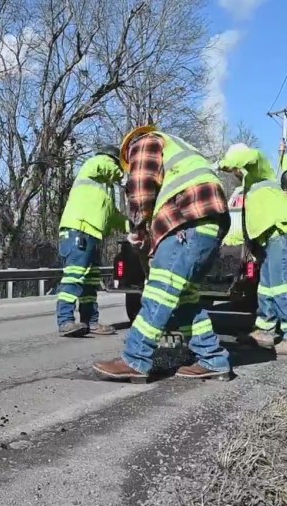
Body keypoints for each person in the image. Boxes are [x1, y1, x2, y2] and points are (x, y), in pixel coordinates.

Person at [92, 126, 232, 381]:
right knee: (185, 299)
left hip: (185, 221)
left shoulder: (144, 142)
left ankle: (135, 358)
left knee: (159, 292)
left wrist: (138, 227)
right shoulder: (180, 148)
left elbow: (141, 187)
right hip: (207, 224)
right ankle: (213, 358)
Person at [218, 144, 287, 355]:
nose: (233, 173)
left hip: (282, 233)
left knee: (282, 285)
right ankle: (265, 329)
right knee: (267, 287)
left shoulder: (260, 173)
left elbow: (249, 154)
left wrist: (222, 163)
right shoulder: (250, 186)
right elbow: (247, 224)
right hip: (269, 239)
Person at [55, 146, 126, 337]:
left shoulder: (105, 191)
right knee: (74, 277)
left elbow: (114, 218)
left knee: (90, 281)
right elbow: (106, 166)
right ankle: (65, 321)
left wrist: (137, 226)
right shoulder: (94, 164)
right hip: (78, 230)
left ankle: (90, 322)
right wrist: (127, 176)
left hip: (92, 236)